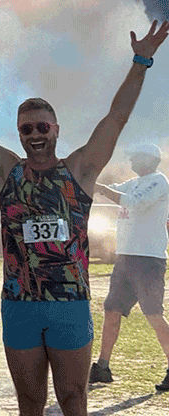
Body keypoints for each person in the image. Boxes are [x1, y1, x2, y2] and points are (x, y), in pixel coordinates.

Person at [0, 21, 169, 416]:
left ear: (56, 129)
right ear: (19, 133)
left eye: (42, 126)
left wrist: (141, 61)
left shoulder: (80, 170)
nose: (34, 134)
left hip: (69, 304)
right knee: (30, 403)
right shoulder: (6, 171)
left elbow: (116, 117)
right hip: (20, 305)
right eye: (26, 128)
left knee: (74, 399)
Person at [90, 143, 169, 391]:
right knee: (112, 310)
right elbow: (114, 190)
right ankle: (102, 366)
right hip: (125, 259)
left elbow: (135, 203)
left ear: (149, 159)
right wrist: (90, 183)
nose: (132, 162)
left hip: (148, 260)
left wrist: (101, 188)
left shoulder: (158, 182)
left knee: (153, 314)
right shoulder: (134, 182)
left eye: (135, 157)